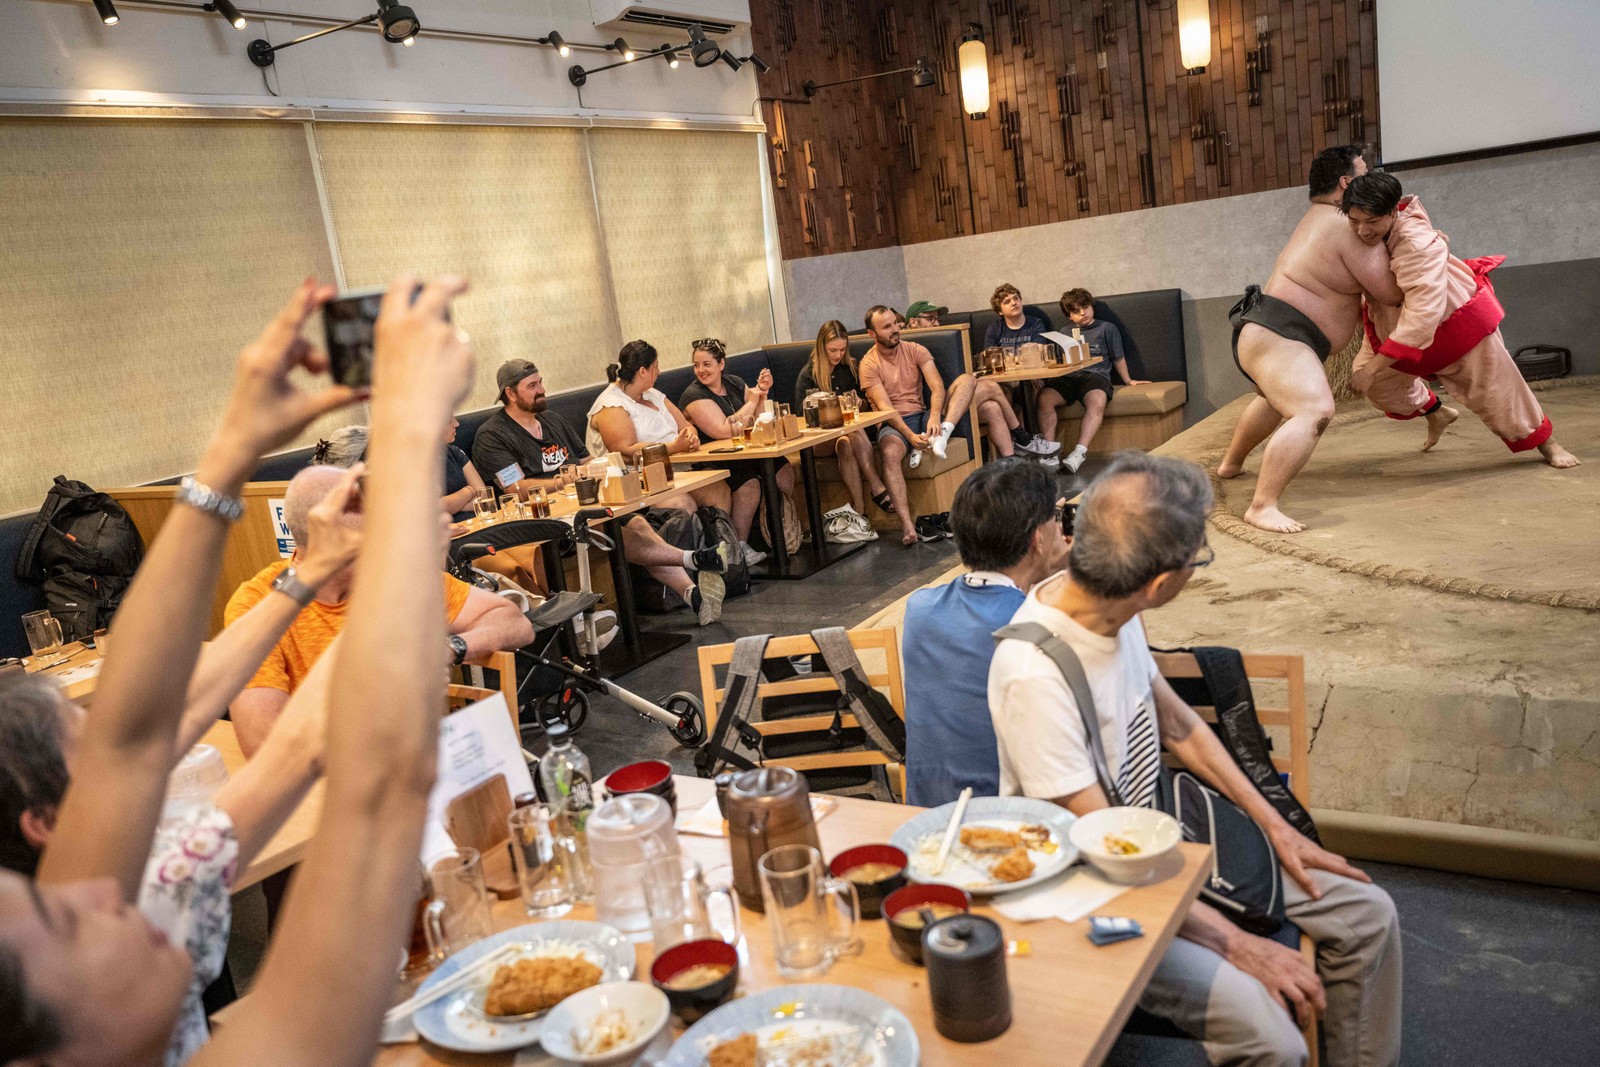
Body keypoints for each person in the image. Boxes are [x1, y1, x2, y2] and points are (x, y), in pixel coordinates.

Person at [4, 275, 462, 1067]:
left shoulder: (113, 909)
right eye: (66, 920)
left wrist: (236, 448)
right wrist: (412, 444)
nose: (96, 894)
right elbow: (381, 779)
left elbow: (135, 738)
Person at [989, 452, 1401, 1067]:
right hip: (1095, 886)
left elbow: (1179, 724)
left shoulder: (1109, 601)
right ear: (1160, 585)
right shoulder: (1032, 673)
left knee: (1370, 915)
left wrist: (1277, 827)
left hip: (1157, 838)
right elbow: (1107, 858)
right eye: (1197, 560)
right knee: (1270, 1039)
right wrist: (1236, 943)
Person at [1, 469, 363, 879]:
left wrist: (315, 569)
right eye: (88, 743)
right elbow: (279, 754)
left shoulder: (99, 884)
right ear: (46, 824)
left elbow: (192, 704)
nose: (114, 740)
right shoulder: (167, 881)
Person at [224, 463, 535, 756]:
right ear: (328, 531)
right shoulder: (256, 604)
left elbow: (515, 622)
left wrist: (452, 647)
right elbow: (263, 744)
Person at [1215, 143, 1407, 533]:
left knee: (1274, 401)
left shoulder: (1318, 217)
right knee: (1314, 410)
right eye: (1364, 172)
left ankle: (1231, 463)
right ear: (1346, 181)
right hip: (1282, 335)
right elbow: (1389, 292)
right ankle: (1263, 505)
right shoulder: (1346, 224)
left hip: (1266, 331)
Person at [1342, 173, 1579, 469]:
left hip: (1454, 323)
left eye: (1372, 221)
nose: (1362, 230)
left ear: (1392, 211)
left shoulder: (1416, 243)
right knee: (1374, 383)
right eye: (1354, 221)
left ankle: (1548, 444)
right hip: (1391, 322)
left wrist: (1375, 367)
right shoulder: (1354, 233)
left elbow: (1423, 315)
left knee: (1498, 390)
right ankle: (1437, 412)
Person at [902, 459, 1069, 807]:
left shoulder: (919, 610)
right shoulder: (1044, 623)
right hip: (1011, 820)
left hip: (926, 815)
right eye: (1056, 517)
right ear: (1037, 538)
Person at [858, 305, 1021, 545]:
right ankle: (907, 526)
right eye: (887, 327)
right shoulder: (868, 365)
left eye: (895, 323)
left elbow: (936, 386)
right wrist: (910, 435)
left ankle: (943, 432)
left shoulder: (915, 349)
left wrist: (935, 416)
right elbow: (885, 409)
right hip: (894, 423)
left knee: (968, 380)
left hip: (923, 413)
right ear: (872, 334)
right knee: (890, 452)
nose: (895, 329)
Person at [679, 337, 797, 565]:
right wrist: (752, 403)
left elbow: (758, 416)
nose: (701, 370)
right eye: (696, 365)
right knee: (749, 482)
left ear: (721, 364)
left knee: (782, 468)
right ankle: (739, 547)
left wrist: (761, 392)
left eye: (707, 364)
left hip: (746, 451)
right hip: (715, 459)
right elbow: (723, 430)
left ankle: (774, 529)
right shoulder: (694, 396)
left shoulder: (733, 382)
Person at [587, 340, 734, 521]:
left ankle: (724, 547)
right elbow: (624, 451)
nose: (659, 372)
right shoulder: (611, 405)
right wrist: (674, 446)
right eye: (655, 367)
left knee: (719, 490)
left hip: (676, 471)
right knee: (683, 505)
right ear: (642, 371)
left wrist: (691, 437)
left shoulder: (653, 394)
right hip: (637, 483)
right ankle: (695, 550)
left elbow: (686, 426)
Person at [1035, 288, 1150, 474]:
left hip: (1096, 375)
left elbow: (1118, 357)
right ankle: (1049, 452)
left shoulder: (1107, 328)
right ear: (1069, 315)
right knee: (1044, 398)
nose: (1083, 314)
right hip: (1069, 376)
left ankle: (1079, 452)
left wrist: (1128, 380)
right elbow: (1059, 362)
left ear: (1091, 307)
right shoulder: (1064, 332)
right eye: (1076, 311)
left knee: (1097, 400)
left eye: (1085, 308)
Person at [793, 320, 884, 540]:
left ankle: (859, 508)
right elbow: (801, 417)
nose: (837, 354)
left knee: (845, 441)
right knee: (848, 434)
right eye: (833, 350)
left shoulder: (850, 367)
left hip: (846, 436)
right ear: (821, 347)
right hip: (818, 440)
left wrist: (858, 402)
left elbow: (864, 402)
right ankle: (877, 486)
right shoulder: (809, 374)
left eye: (842, 350)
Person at [982, 283, 1067, 460]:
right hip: (1004, 380)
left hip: (1033, 377)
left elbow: (1037, 351)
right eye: (1007, 301)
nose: (1014, 303)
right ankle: (1010, 448)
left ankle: (1025, 446)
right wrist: (1021, 354)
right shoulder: (994, 328)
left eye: (1016, 298)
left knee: (1028, 393)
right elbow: (991, 357)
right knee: (1003, 397)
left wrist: (1013, 357)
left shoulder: (1035, 323)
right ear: (1000, 311)